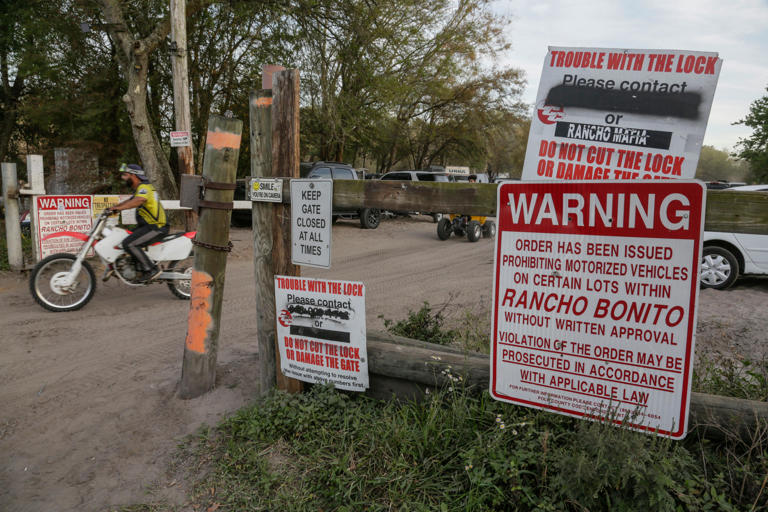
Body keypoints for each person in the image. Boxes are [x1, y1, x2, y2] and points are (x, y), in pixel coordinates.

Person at [106, 163, 168, 282]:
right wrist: (111, 209)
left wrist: (117, 209)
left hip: (157, 227)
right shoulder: (139, 190)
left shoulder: (145, 187)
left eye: (125, 175)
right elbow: (129, 202)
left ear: (134, 176)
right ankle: (132, 268)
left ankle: (151, 270)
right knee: (123, 238)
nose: (123, 178)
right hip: (147, 226)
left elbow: (138, 201)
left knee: (129, 244)